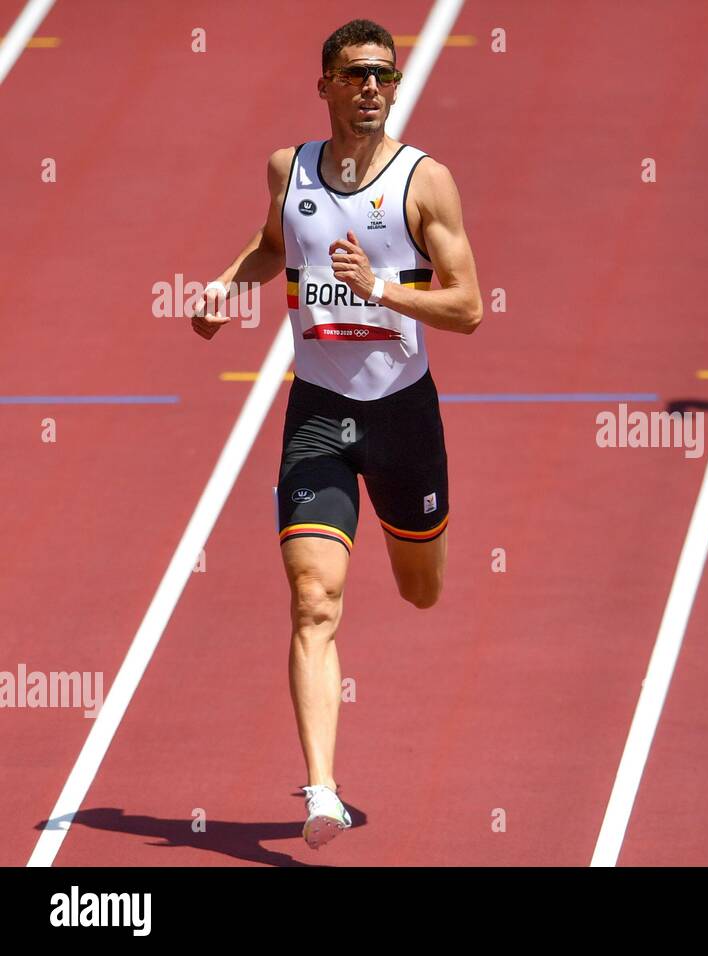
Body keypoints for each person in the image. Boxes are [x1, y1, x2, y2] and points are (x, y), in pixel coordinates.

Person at [189, 18, 483, 849]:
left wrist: (383, 292)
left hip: (404, 416)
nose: (370, 89)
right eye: (354, 74)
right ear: (323, 83)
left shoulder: (426, 184)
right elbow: (277, 245)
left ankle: (410, 537)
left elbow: (467, 307)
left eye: (383, 76)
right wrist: (224, 286)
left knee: (420, 589)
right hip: (317, 413)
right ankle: (321, 791)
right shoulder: (290, 171)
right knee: (313, 600)